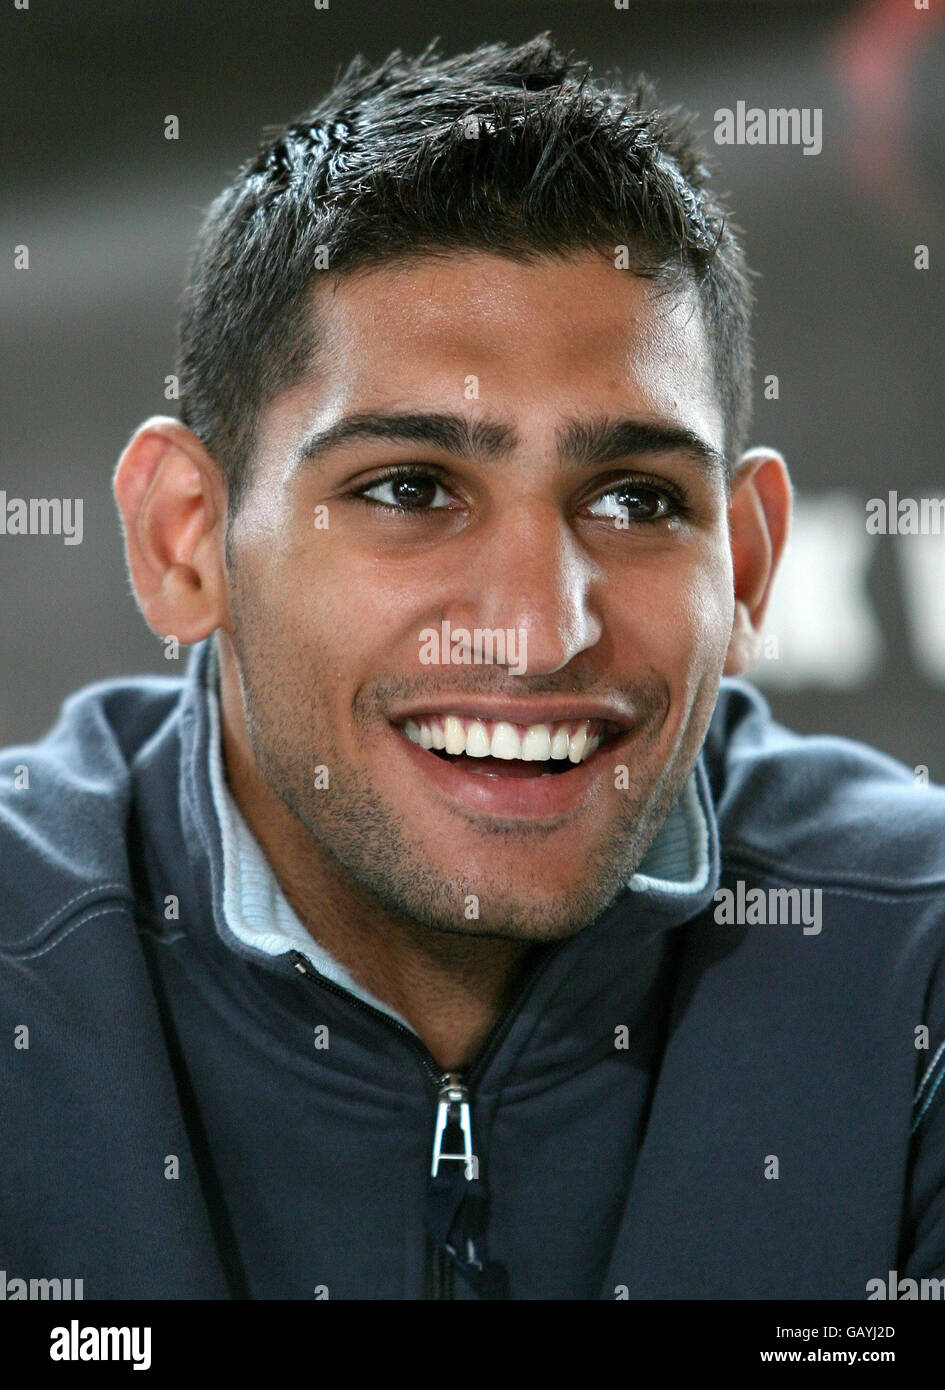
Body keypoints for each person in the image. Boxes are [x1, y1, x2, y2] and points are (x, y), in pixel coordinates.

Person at [1, 34, 942, 1302]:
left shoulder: (917, 954)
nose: (540, 632)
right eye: (410, 487)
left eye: (635, 499)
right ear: (187, 540)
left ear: (749, 566)